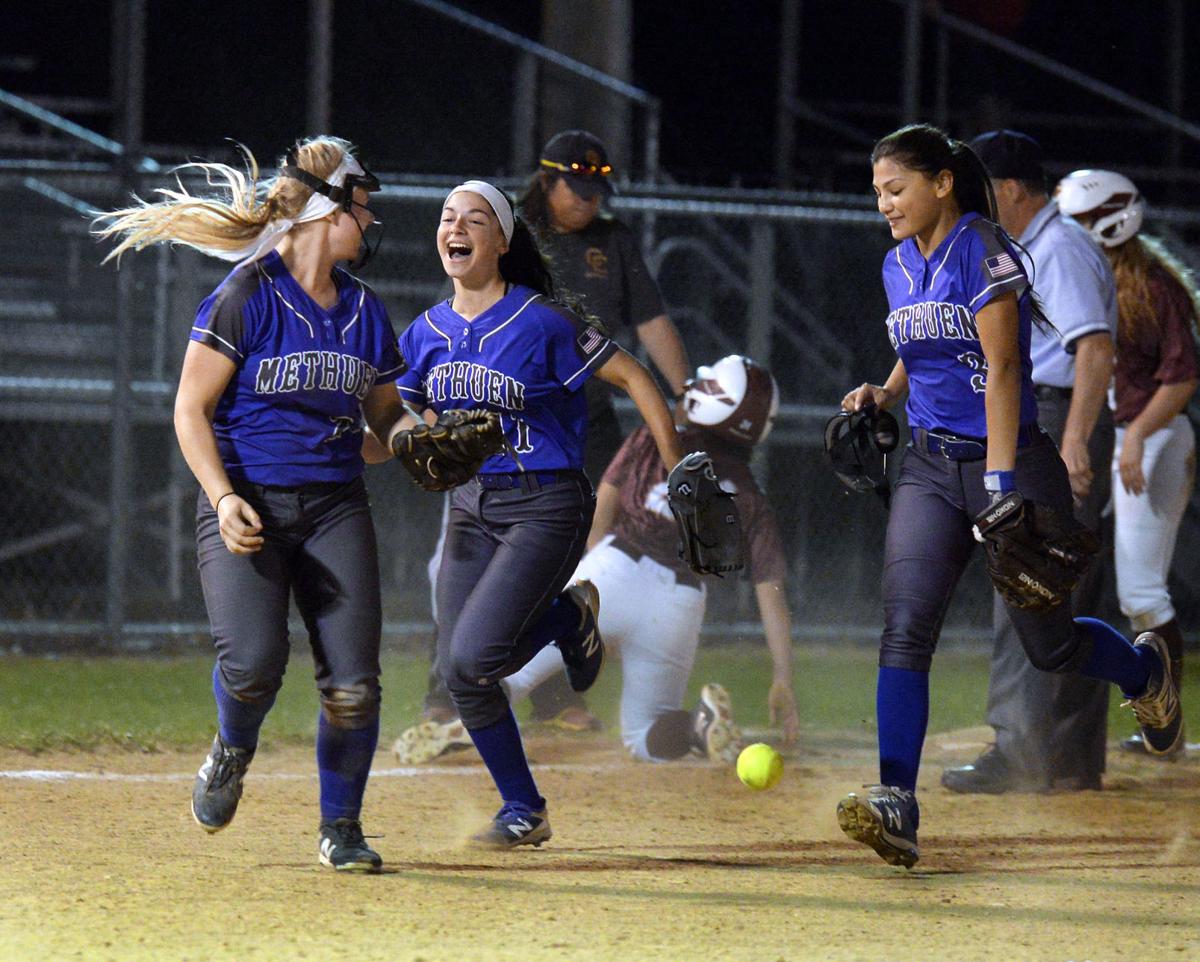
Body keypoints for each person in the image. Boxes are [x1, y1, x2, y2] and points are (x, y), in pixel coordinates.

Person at [836, 124, 1182, 870]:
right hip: (929, 466)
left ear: (941, 184)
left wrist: (998, 485)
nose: (884, 205)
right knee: (905, 629)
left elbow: (1003, 368)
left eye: (895, 189)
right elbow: (919, 342)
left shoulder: (985, 251)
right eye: (877, 193)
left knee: (1048, 644)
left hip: (1013, 462)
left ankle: (1144, 673)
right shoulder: (899, 262)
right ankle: (898, 802)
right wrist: (884, 392)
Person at [92, 137, 408, 872]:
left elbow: (385, 419)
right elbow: (189, 410)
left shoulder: (365, 309)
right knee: (256, 664)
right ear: (331, 209)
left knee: (355, 684)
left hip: (334, 504)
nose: (370, 220)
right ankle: (232, 749)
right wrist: (223, 496)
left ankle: (342, 828)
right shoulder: (246, 294)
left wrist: (421, 438)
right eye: (363, 205)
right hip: (248, 504)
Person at [389, 179, 684, 847]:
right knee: (464, 671)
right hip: (471, 507)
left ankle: (563, 616)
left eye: (473, 219)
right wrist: (403, 434)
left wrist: (677, 465)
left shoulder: (540, 321)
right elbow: (396, 415)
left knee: (475, 654)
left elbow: (635, 376)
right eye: (446, 217)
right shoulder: (426, 332)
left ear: (501, 240)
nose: (455, 228)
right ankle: (525, 808)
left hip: (545, 502)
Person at [416, 129, 693, 734]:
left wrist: (683, 394)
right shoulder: (496, 235)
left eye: (597, 187)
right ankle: (446, 689)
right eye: (577, 184)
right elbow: (450, 347)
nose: (589, 198)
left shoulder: (610, 242)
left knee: (563, 563)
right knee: (453, 567)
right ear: (547, 180)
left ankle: (556, 694)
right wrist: (432, 432)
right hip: (484, 431)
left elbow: (648, 324)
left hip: (575, 425)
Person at [398, 356, 800, 766]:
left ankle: (460, 726)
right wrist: (783, 676)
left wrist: (582, 580)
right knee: (645, 733)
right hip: (681, 604)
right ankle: (699, 725)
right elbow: (770, 591)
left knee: (511, 670)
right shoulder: (751, 496)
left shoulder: (653, 439)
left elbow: (602, 508)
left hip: (616, 569)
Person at [941, 130, 1117, 795]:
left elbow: (1093, 349)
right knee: (1060, 587)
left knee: (1023, 577)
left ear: (1010, 189)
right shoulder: (1030, 247)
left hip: (1053, 419)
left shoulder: (1057, 248)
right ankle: (1068, 757)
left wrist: (1073, 439)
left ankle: (1020, 753)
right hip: (1047, 416)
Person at [1057, 169, 1199, 759]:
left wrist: (1136, 436)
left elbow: (1183, 377)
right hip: (1133, 436)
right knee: (1133, 590)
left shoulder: (1151, 285)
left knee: (1142, 592)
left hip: (1157, 436)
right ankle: (1162, 721)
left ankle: (1165, 723)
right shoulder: (1107, 275)